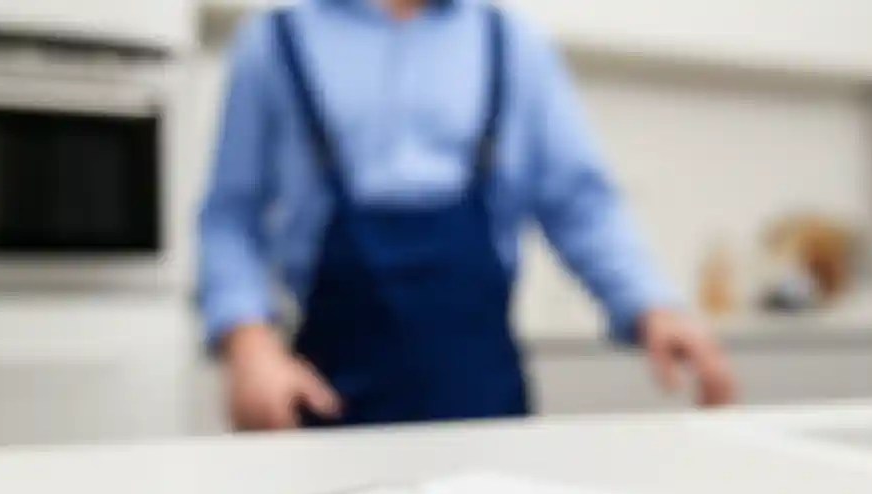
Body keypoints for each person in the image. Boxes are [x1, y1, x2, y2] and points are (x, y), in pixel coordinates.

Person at [199, 0, 735, 430]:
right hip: (327, 392)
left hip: (482, 392)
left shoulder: (514, 45)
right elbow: (230, 216)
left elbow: (580, 203)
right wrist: (249, 348)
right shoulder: (273, 41)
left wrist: (652, 307)